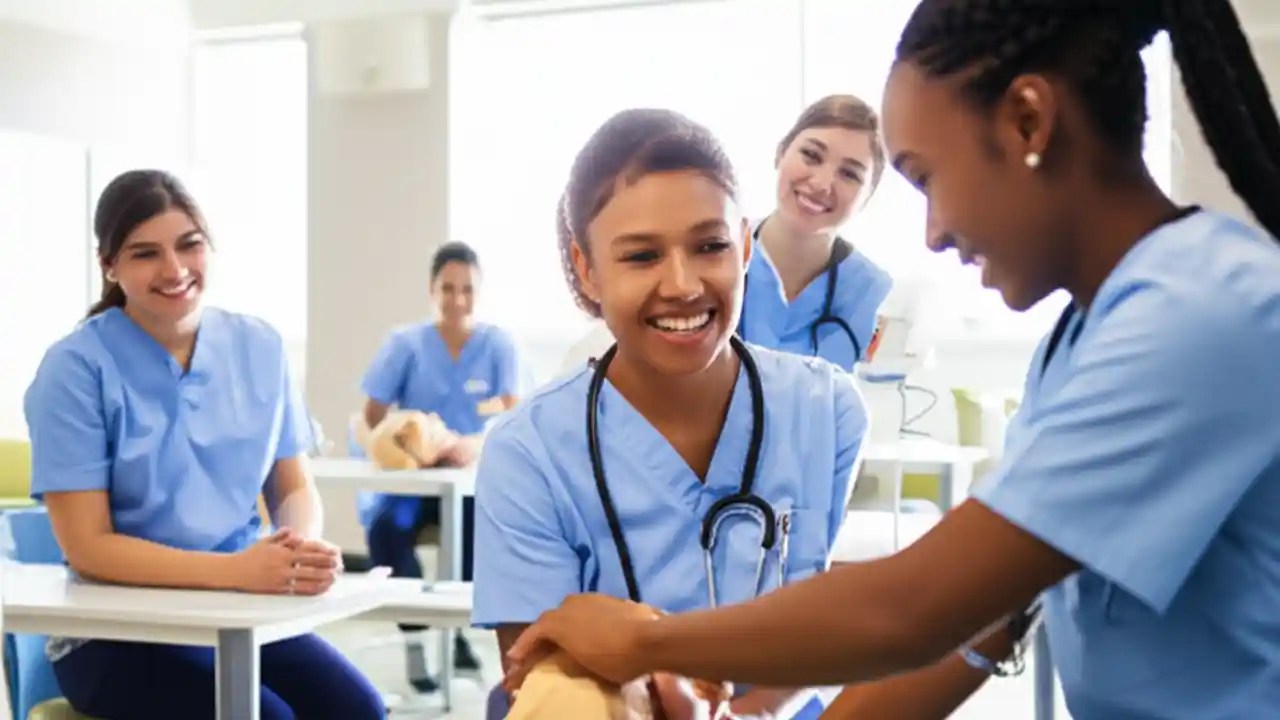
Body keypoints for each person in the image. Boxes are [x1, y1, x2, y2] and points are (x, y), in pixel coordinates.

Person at [503, 2, 1280, 719]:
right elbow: (982, 623)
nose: (936, 232)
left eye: (926, 179)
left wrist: (645, 641)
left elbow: (910, 611)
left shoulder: (1202, 313)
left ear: (1028, 122)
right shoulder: (1083, 343)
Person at [470, 107, 868, 719]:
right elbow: (538, 677)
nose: (682, 285)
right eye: (640, 256)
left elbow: (813, 630)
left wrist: (742, 716)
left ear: (743, 247)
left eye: (709, 246)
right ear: (586, 269)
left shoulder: (826, 411)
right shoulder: (530, 450)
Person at [22, 169, 383, 719]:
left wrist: (295, 549)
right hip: (115, 632)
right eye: (145, 254)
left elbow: (293, 485)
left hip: (237, 609)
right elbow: (88, 548)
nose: (174, 270)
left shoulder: (259, 346)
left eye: (189, 245)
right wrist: (240, 572)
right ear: (110, 266)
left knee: (357, 710)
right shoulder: (75, 370)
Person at [357, 240, 521, 690]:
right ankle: (417, 642)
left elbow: (514, 412)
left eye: (467, 288)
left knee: (479, 532)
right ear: (432, 290)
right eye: (448, 288)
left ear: (479, 292)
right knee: (388, 529)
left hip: (469, 482)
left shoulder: (497, 345)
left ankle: (458, 635)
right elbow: (373, 413)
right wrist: (407, 438)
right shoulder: (405, 344)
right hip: (414, 482)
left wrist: (472, 442)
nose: (458, 299)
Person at [737, 95, 894, 372]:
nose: (823, 184)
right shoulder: (715, 252)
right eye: (811, 156)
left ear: (868, 197)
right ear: (780, 152)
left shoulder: (872, 293)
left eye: (849, 174)